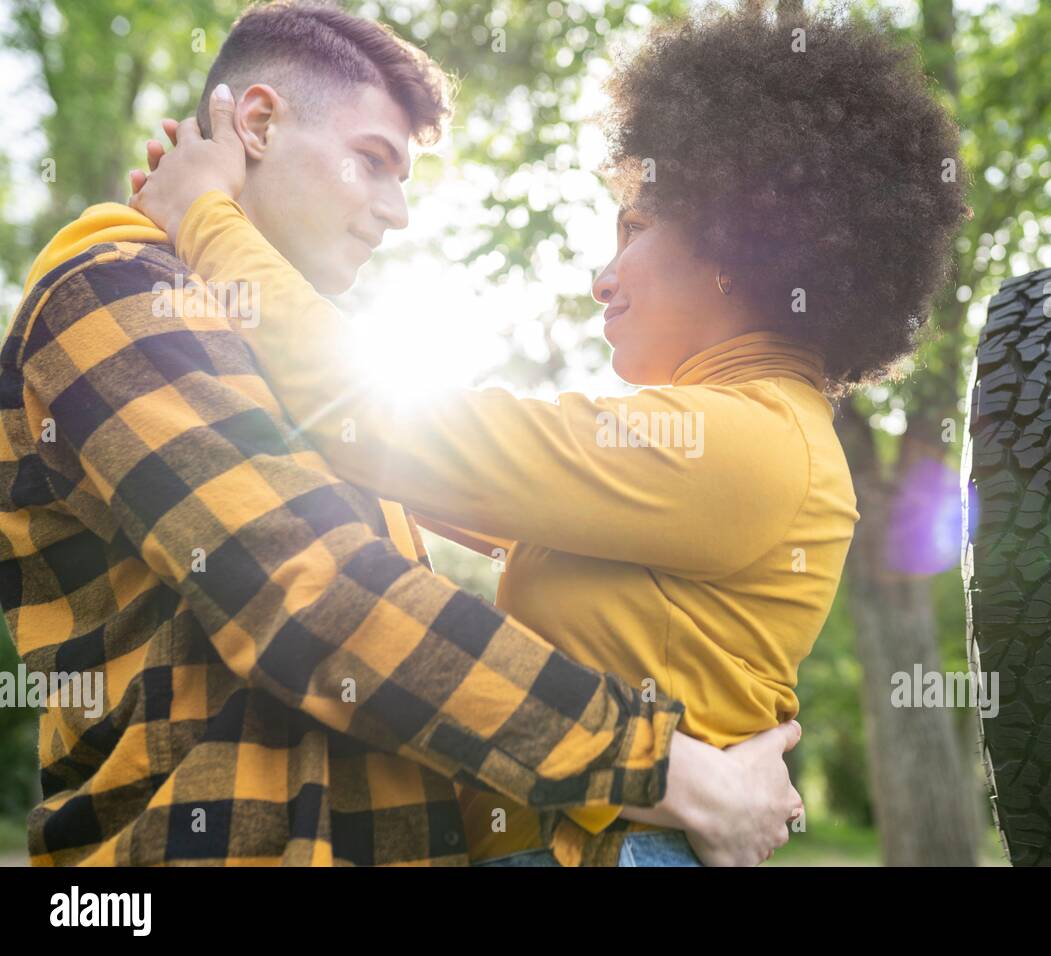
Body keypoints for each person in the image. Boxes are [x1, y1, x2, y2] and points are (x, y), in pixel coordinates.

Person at [127, 4, 966, 864]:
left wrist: (204, 214)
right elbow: (434, 481)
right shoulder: (747, 437)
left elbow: (376, 423)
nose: (603, 277)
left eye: (634, 230)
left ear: (741, 244)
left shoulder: (746, 442)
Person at [0, 0, 802, 867]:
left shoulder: (273, 361)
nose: (396, 212)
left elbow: (455, 474)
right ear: (259, 122)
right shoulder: (116, 293)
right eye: (372, 162)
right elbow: (310, 590)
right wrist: (667, 770)